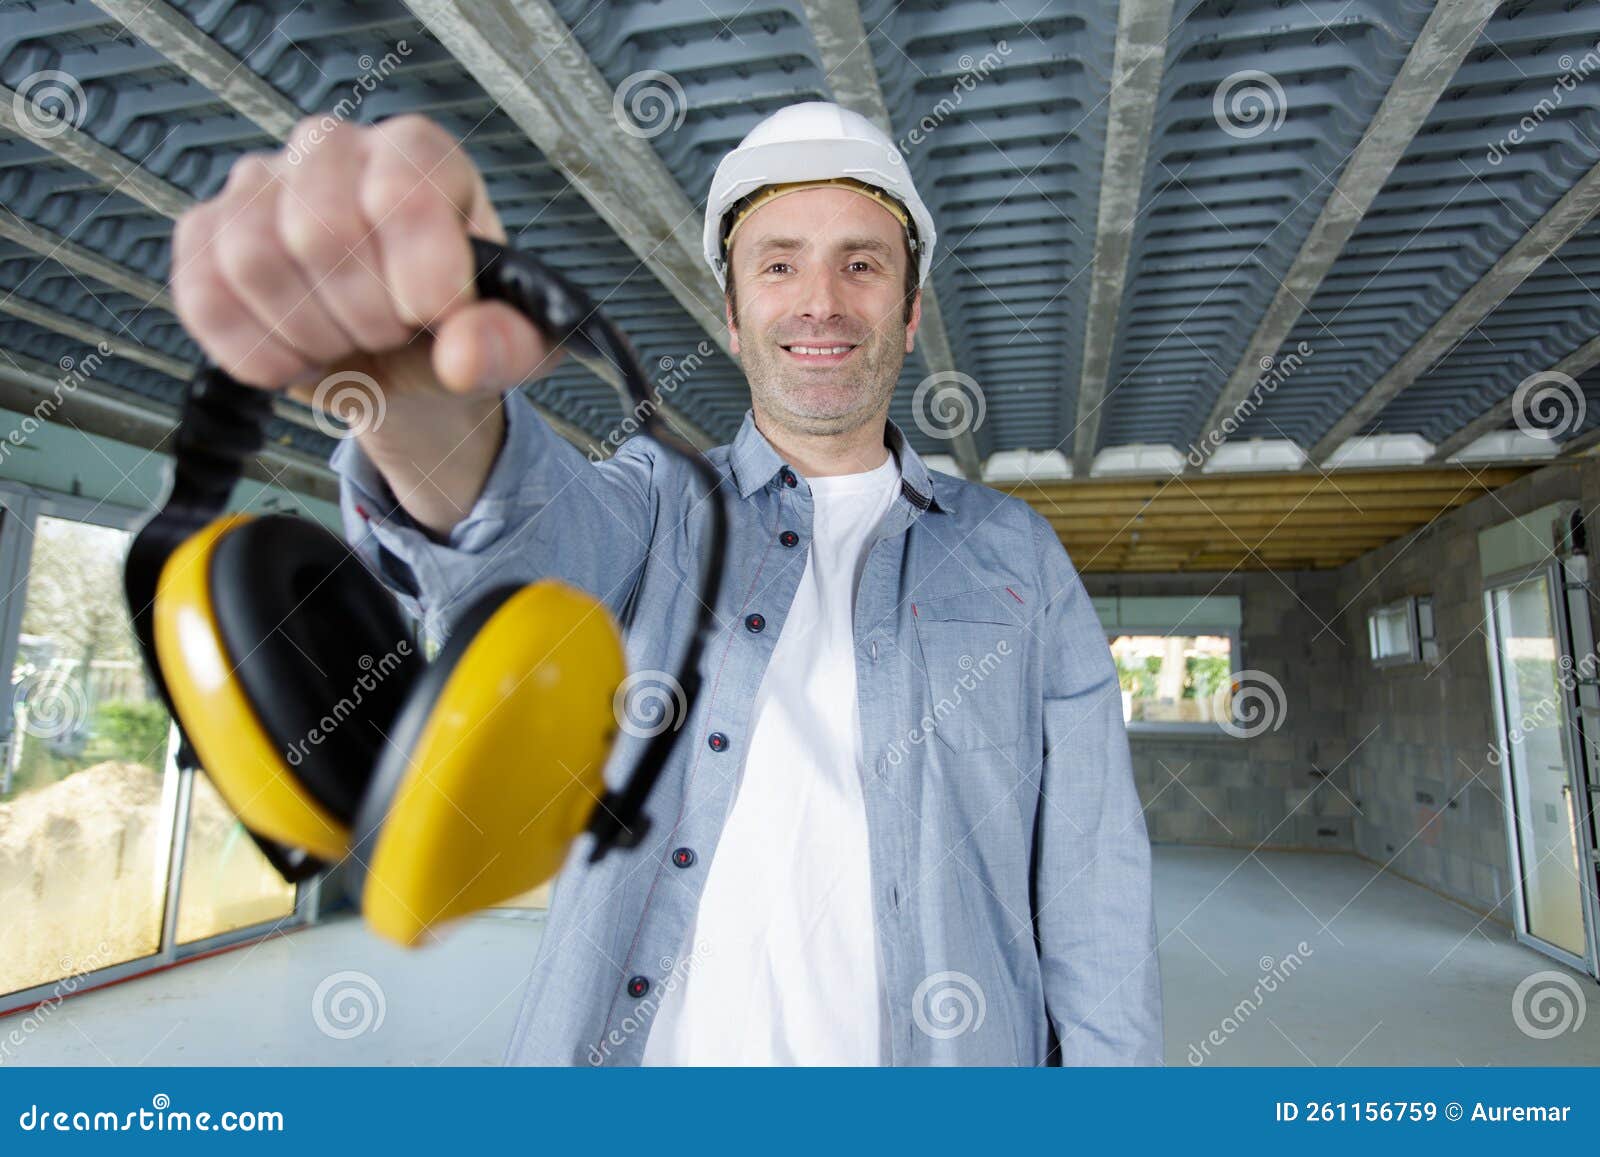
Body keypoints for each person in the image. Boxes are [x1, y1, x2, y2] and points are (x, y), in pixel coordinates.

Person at [169, 99, 1164, 1066]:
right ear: (732, 316)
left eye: (861, 264)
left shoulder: (1016, 557)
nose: (820, 300)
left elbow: (1092, 882)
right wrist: (416, 394)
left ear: (908, 316)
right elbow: (525, 543)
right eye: (779, 264)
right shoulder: (654, 508)